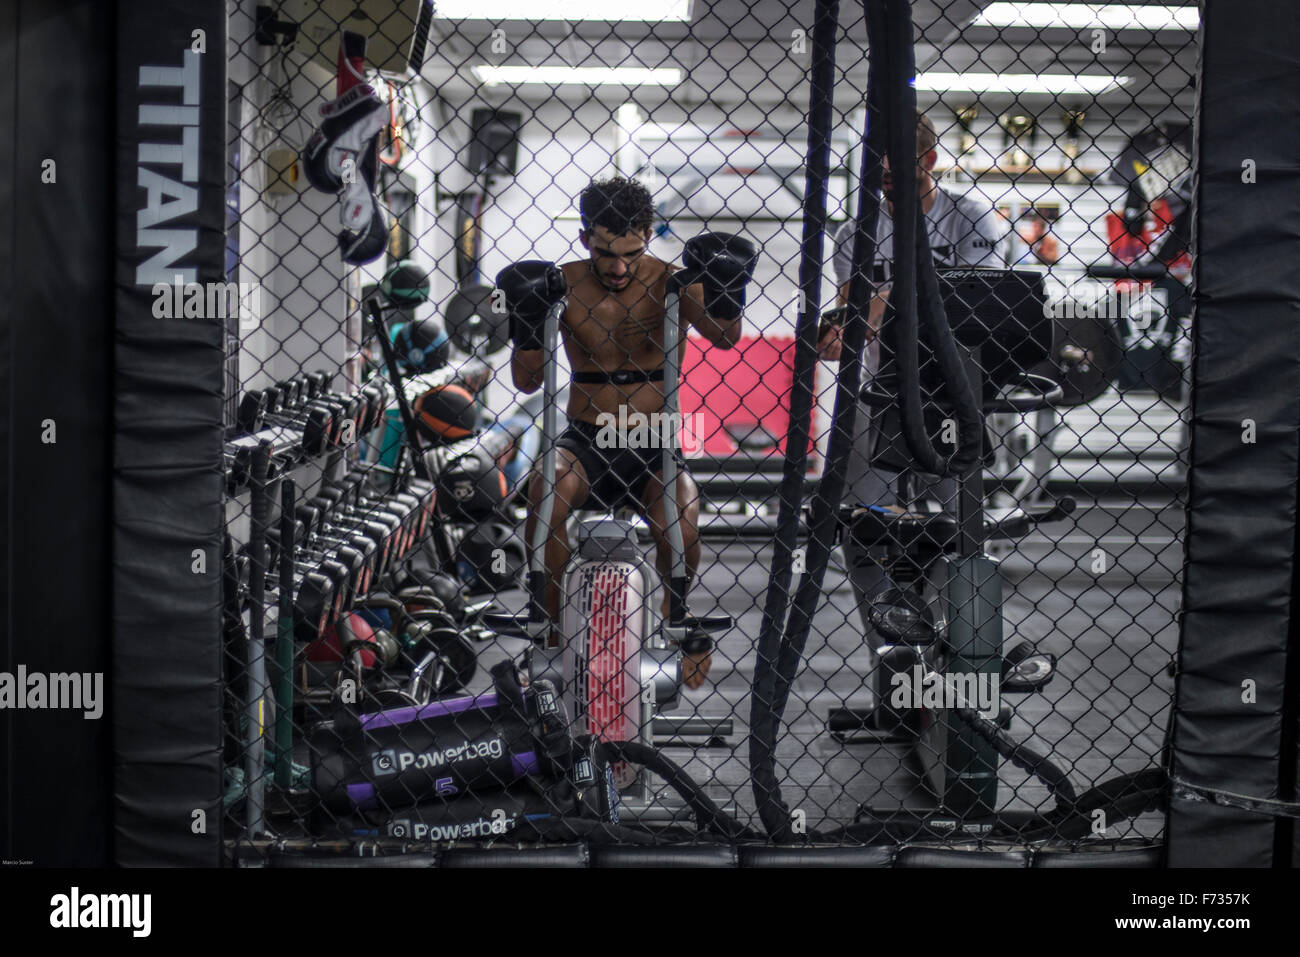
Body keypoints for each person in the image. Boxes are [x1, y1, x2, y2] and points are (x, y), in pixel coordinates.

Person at [497, 176, 756, 689]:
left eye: (631, 253)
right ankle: (548, 629)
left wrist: (726, 288)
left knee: (679, 524)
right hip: (586, 438)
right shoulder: (561, 283)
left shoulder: (675, 281)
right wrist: (526, 319)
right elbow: (526, 378)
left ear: (649, 236)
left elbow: (725, 339)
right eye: (605, 253)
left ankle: (676, 615)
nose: (618, 268)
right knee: (543, 495)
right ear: (585, 237)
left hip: (651, 438)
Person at [817, 111, 1007, 701]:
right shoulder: (856, 234)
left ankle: (962, 656)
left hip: (955, 397)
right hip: (884, 398)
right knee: (859, 521)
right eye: (874, 166)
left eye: (895, 165)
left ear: (927, 161)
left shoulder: (969, 217)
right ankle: (895, 641)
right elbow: (854, 319)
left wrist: (888, 298)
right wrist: (840, 326)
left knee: (965, 531)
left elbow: (980, 305)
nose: (883, 177)